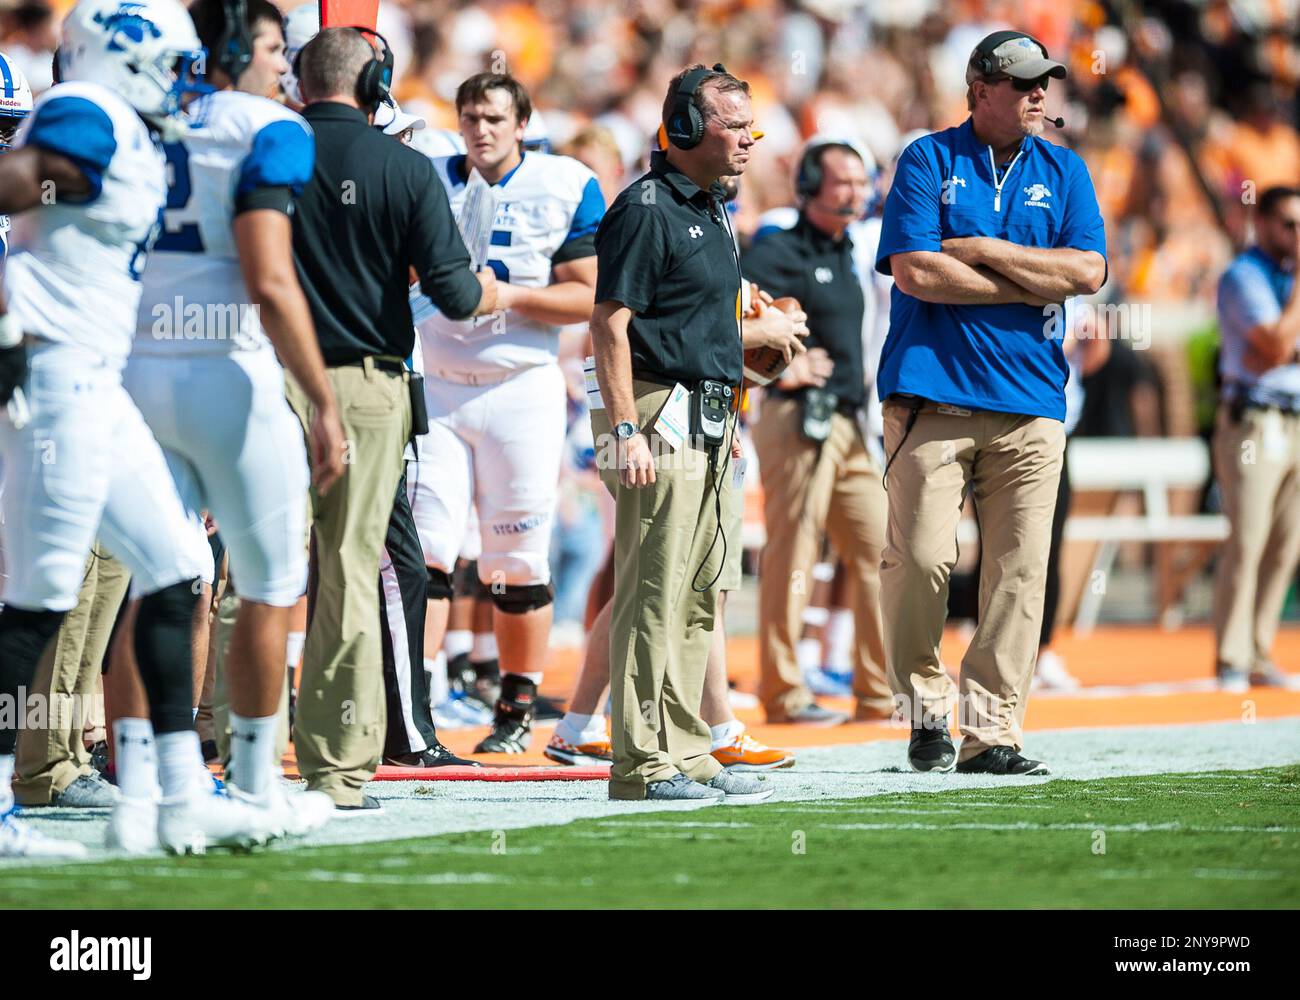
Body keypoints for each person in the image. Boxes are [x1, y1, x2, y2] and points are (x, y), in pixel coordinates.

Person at [0, 0, 272, 857]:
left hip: (98, 383)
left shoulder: (127, 128)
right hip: (56, 379)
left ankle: (179, 796)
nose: (187, 81)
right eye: (175, 63)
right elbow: (22, 180)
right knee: (37, 602)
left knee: (179, 566)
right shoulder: (92, 116)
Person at [122, 0, 344, 846]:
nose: (282, 63)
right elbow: (268, 276)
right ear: (226, 48)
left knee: (159, 584)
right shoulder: (269, 128)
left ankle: (144, 793)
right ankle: (254, 786)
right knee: (268, 584)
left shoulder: (149, 121)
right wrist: (322, 399)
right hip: (227, 373)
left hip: (138, 370)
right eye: (267, 45)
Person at [875, 30, 1106, 776]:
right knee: (917, 561)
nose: (1040, 94)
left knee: (1018, 573)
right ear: (978, 88)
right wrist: (1033, 282)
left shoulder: (1066, 169)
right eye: (1023, 82)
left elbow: (1090, 269)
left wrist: (977, 248)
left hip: (1033, 400)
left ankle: (992, 733)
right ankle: (922, 709)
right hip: (931, 393)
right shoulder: (926, 157)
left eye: (1046, 82)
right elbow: (916, 273)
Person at [288, 27, 495, 810]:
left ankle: (231, 748)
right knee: (349, 568)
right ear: (376, 84)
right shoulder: (404, 168)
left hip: (261, 373)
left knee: (254, 577)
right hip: (362, 381)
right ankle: (337, 764)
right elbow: (459, 296)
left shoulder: (261, 151)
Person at [588, 63, 787, 804]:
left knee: (704, 589)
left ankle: (685, 744)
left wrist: (728, 412)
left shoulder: (713, 207)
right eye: (736, 126)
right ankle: (640, 763)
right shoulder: (645, 208)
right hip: (655, 408)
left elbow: (700, 325)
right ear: (691, 127)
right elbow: (608, 327)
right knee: (652, 588)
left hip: (706, 413)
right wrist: (626, 429)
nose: (749, 140)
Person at [409, 72, 603, 755]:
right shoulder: (426, 172)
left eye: (494, 117)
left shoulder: (565, 182)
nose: (480, 129)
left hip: (519, 386)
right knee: (425, 554)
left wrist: (503, 297)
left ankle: (517, 706)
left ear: (522, 123)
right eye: (470, 117)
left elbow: (589, 297)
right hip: (434, 382)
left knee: (516, 561)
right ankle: (417, 704)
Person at [745, 137, 891, 726]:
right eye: (843, 182)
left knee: (882, 550)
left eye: (862, 181)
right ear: (809, 189)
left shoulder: (848, 248)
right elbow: (738, 308)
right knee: (795, 548)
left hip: (850, 421)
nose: (856, 192)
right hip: (799, 419)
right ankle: (782, 691)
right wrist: (784, 370)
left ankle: (880, 691)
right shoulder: (779, 249)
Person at [1212, 185, 1300, 691]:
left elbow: (1279, 348)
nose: (1297, 235)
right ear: (1262, 224)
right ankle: (1231, 657)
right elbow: (1273, 345)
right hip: (1255, 419)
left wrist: (1283, 350)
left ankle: (1261, 652)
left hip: (1292, 416)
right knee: (1248, 539)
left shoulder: (1282, 281)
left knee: (1286, 544)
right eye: (1289, 224)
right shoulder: (1244, 275)